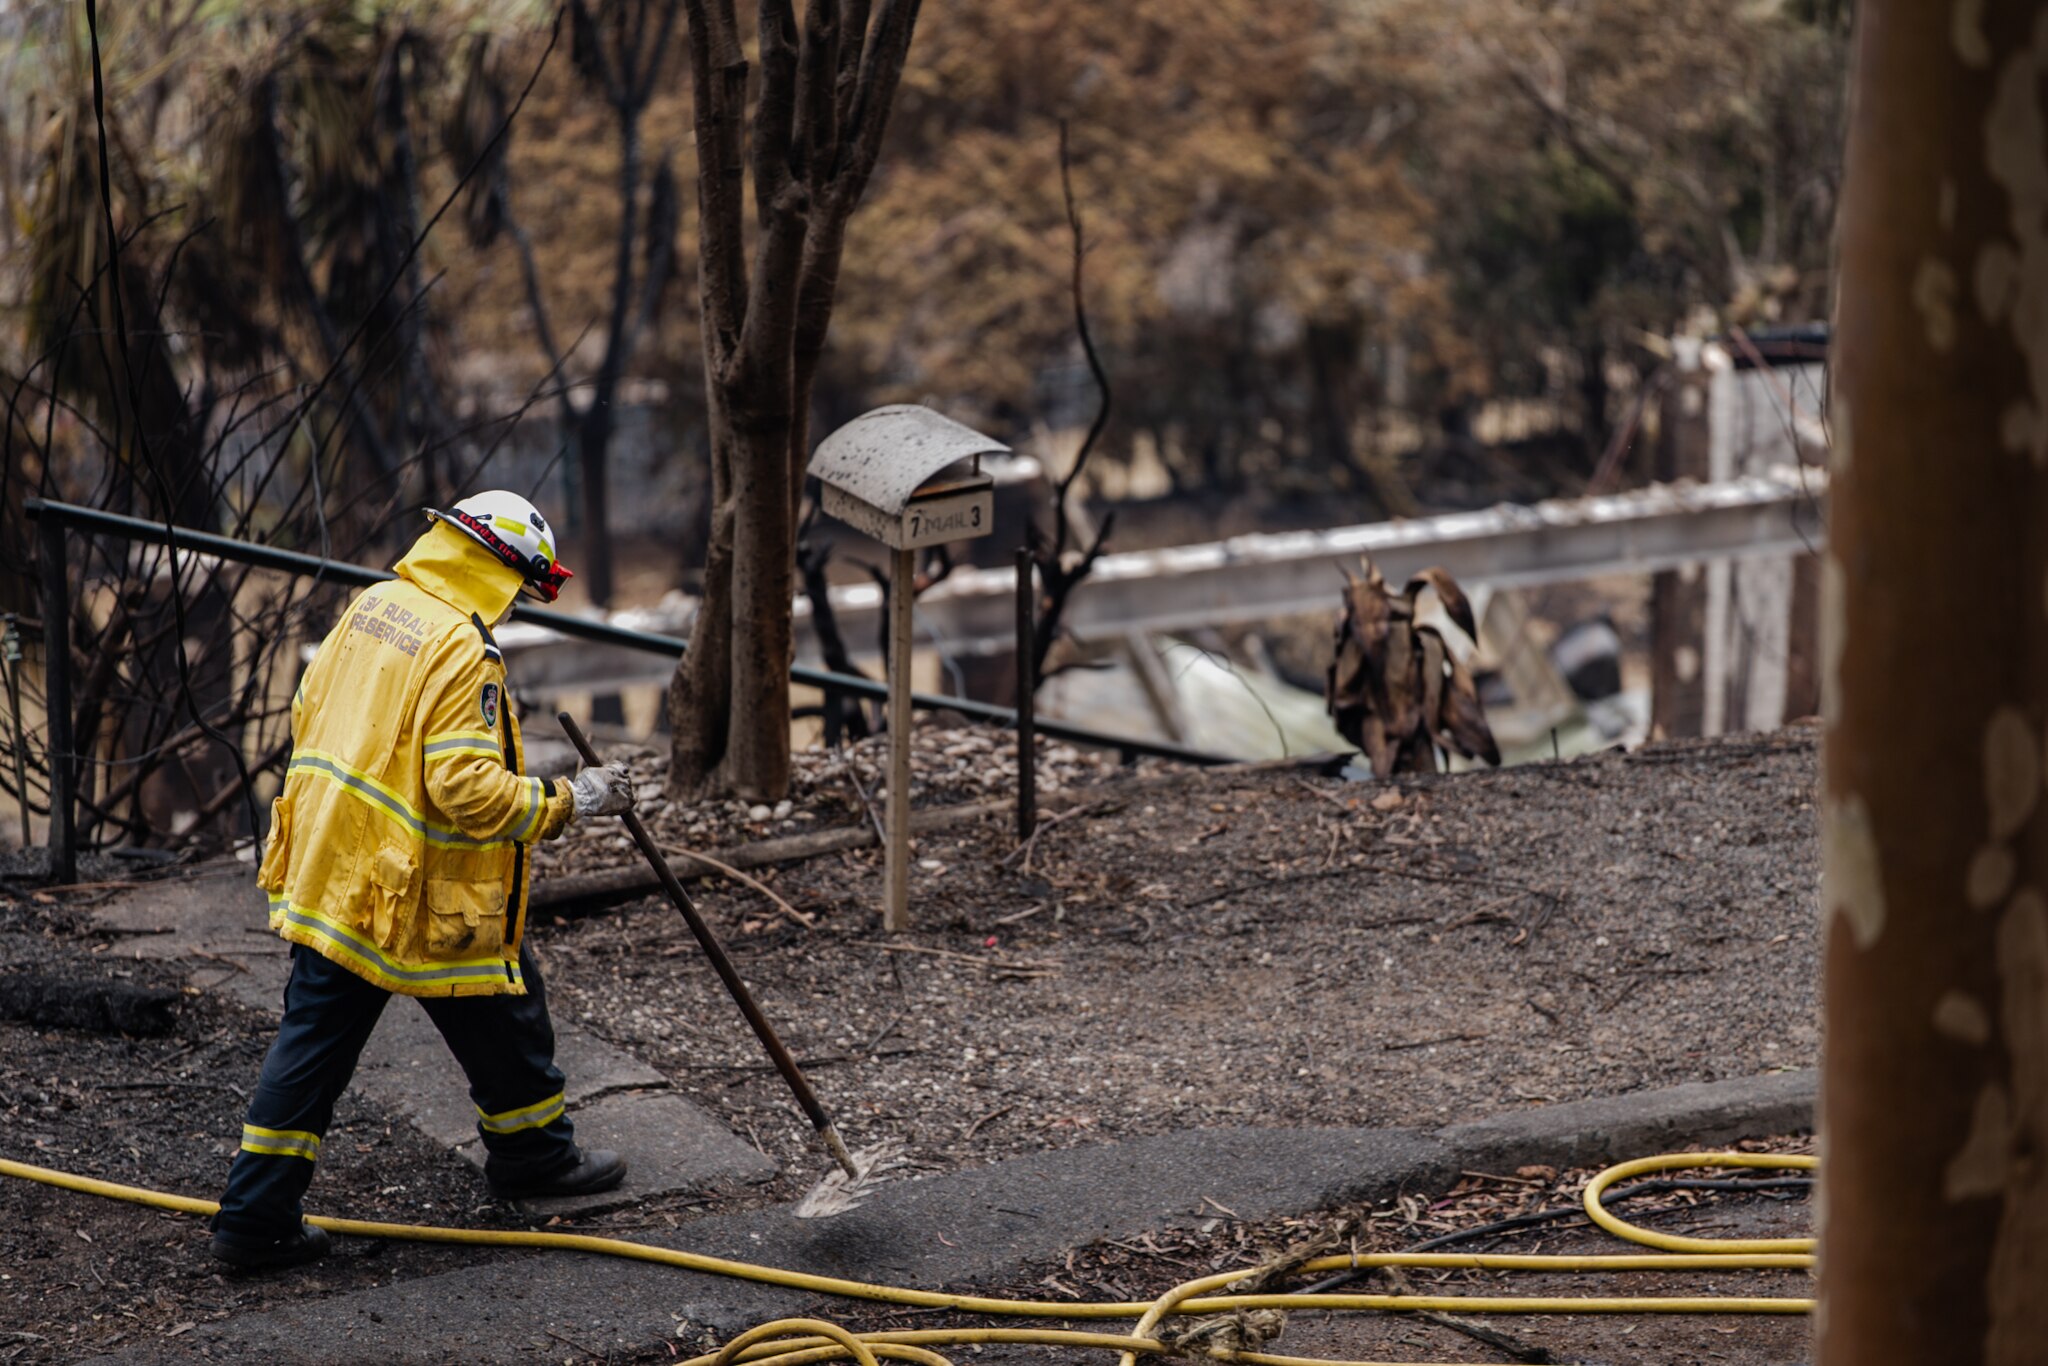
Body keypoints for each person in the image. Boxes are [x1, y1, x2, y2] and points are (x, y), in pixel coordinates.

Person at [210, 492, 637, 1271]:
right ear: (498, 571)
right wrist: (573, 799)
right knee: (485, 1004)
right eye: (520, 590)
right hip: (412, 890)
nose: (513, 607)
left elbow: (310, 709)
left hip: (333, 866)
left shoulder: (375, 606)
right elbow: (467, 791)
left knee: (365, 1031)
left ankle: (256, 1218)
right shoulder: (462, 650)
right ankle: (531, 1159)